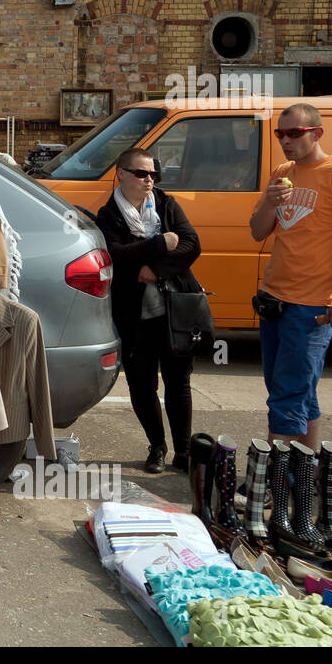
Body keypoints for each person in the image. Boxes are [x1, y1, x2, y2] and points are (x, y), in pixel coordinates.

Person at [248, 102, 332, 450]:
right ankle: (311, 467)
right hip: (274, 298)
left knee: (287, 395)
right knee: (297, 389)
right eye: (280, 134)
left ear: (317, 133)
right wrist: (270, 202)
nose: (286, 140)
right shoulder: (282, 172)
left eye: (295, 133)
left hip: (312, 306)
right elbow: (258, 232)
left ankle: (269, 481)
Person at [96, 147, 202, 473]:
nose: (149, 179)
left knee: (178, 383)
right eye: (142, 173)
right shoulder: (108, 215)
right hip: (134, 316)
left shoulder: (166, 205)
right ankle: (157, 446)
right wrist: (160, 243)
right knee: (142, 387)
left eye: (153, 173)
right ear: (122, 173)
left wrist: (156, 269)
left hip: (174, 311)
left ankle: (183, 451)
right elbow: (117, 255)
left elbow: (191, 244)